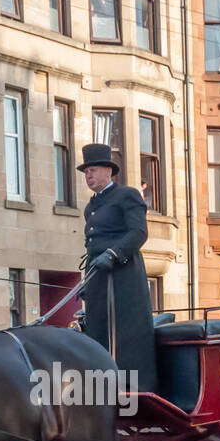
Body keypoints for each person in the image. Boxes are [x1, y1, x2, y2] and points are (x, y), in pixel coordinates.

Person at [79, 143, 158, 393]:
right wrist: (87, 281)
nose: (88, 176)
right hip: (98, 276)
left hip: (122, 276)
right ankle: (100, 387)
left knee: (124, 333)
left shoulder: (127, 195)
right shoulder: (90, 206)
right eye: (85, 172)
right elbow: (92, 246)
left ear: (107, 171)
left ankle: (132, 389)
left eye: (92, 170)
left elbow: (138, 232)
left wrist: (113, 254)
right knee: (95, 329)